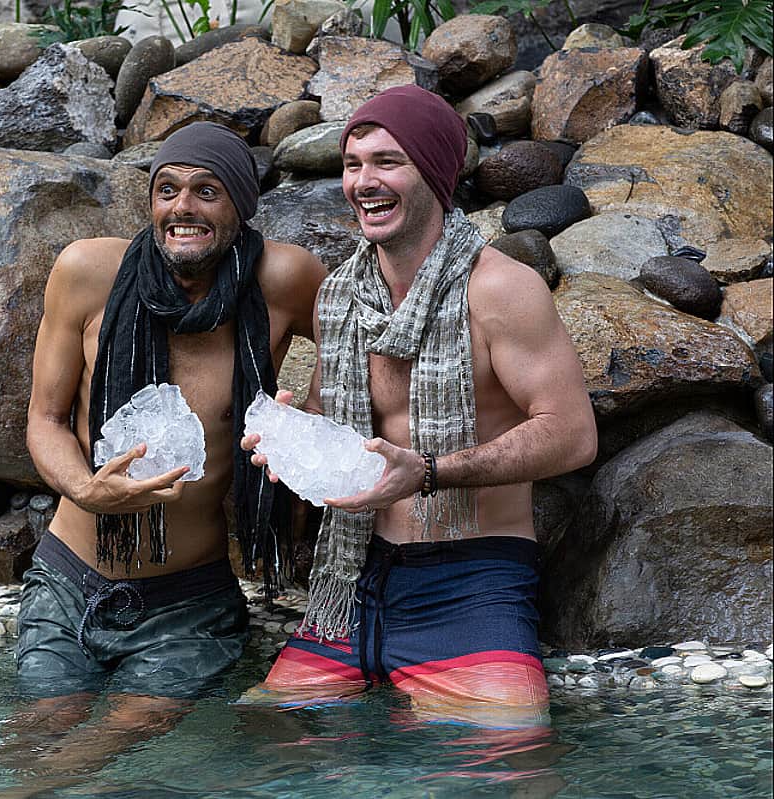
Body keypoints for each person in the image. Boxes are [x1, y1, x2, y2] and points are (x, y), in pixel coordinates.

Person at [243, 86, 598, 730]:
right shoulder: (341, 295)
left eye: (387, 162)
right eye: (353, 165)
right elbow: (339, 424)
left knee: (509, 758)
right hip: (351, 576)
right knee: (269, 737)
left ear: (433, 172)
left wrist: (430, 471)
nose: (363, 182)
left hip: (471, 577)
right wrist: (290, 435)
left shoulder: (500, 290)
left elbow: (572, 435)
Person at [0, 121, 326, 779]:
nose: (182, 207)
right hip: (69, 575)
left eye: (207, 191)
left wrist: (309, 422)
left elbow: (362, 347)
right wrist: (87, 488)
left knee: (136, 725)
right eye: (167, 189)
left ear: (240, 205)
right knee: (44, 721)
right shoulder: (88, 271)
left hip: (189, 597)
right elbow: (44, 419)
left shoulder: (285, 278)